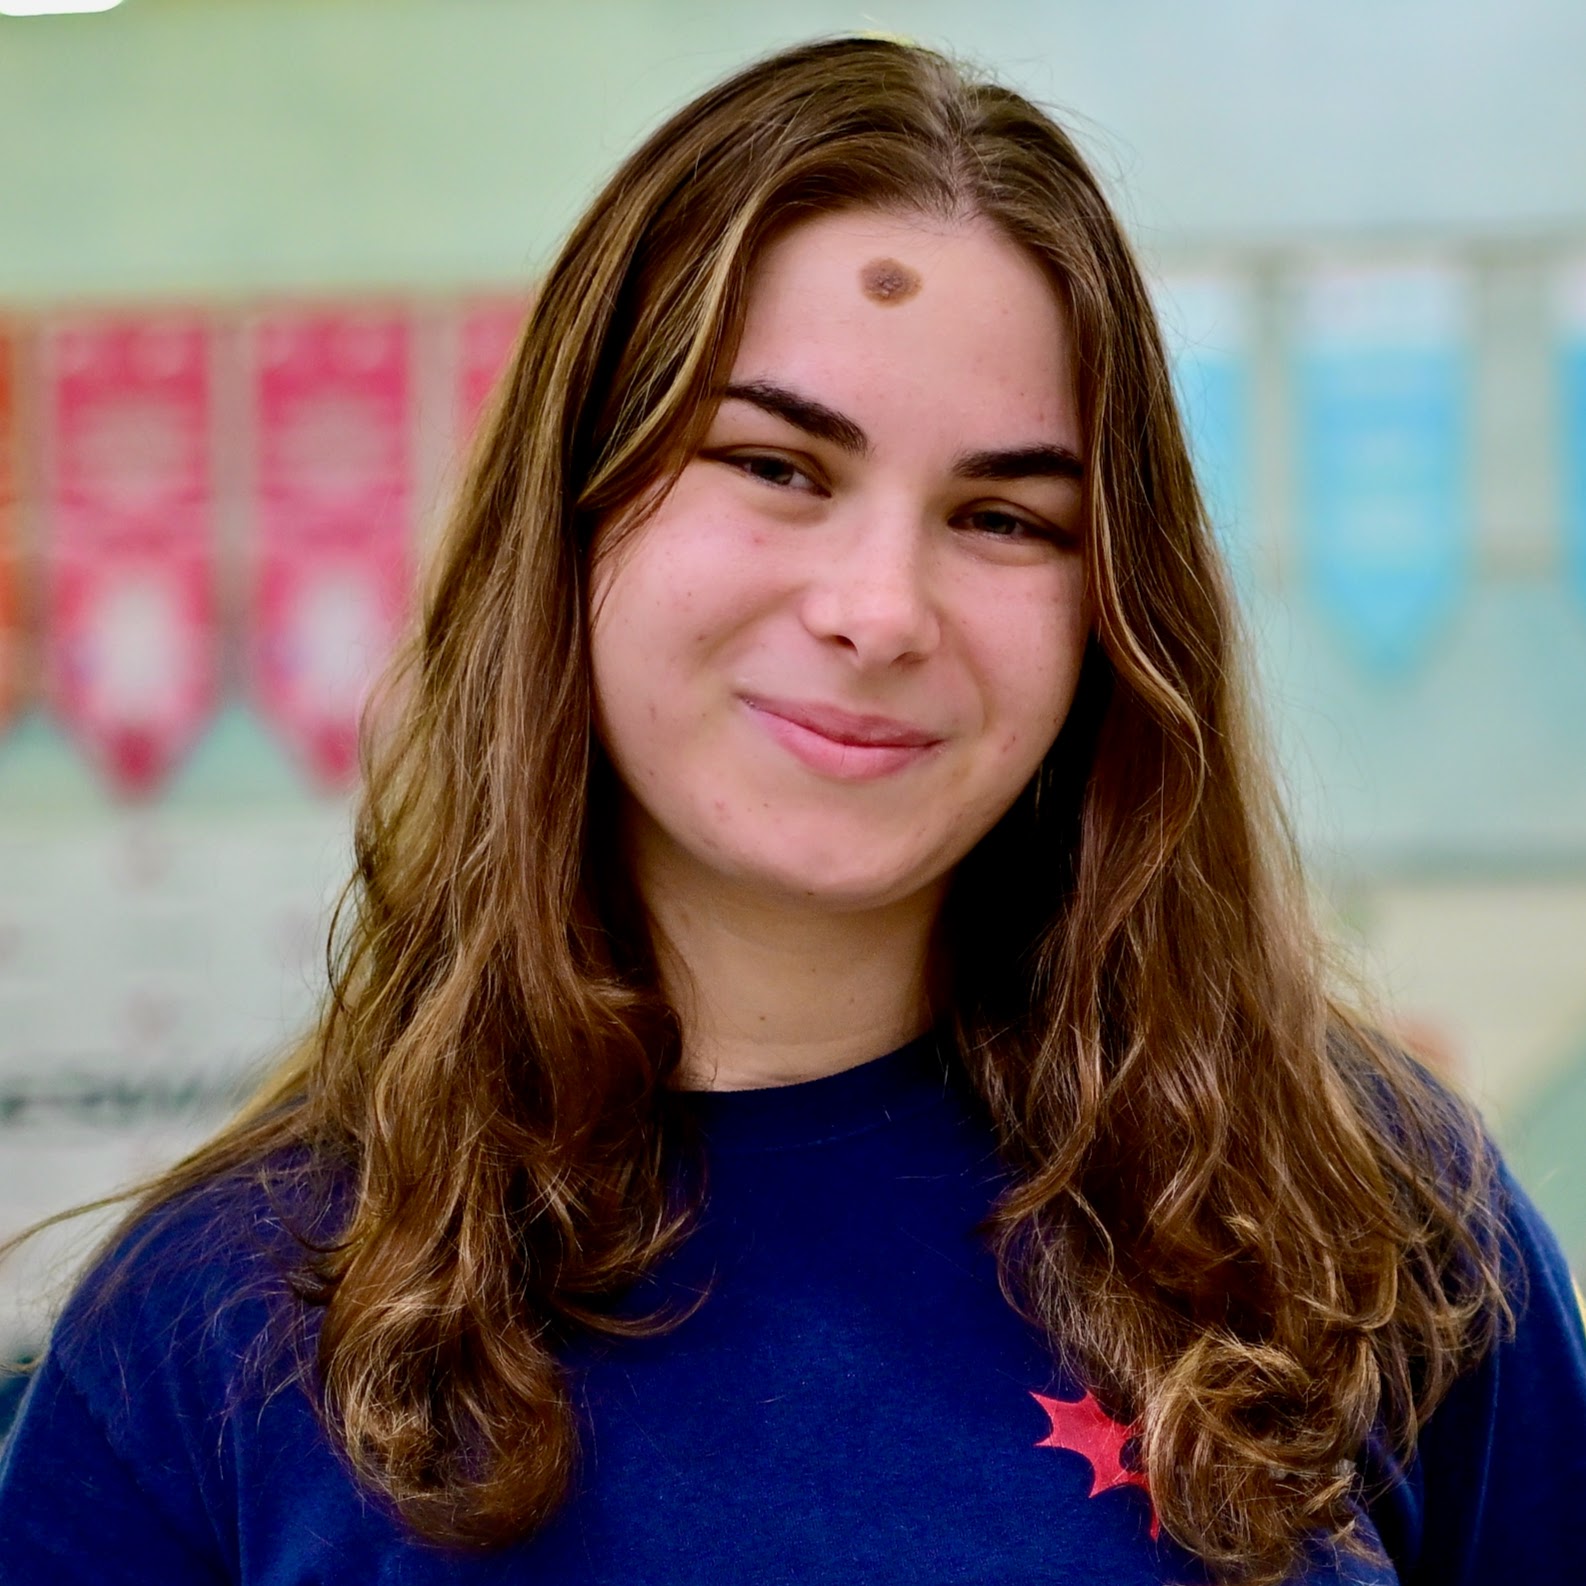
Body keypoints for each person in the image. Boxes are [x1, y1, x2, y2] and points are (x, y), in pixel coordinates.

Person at [1, 35, 1583, 1586]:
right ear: (574, 512)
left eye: (1003, 515)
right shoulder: (210, 1323)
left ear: (1114, 613)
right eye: (774, 465)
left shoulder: (1364, 1215)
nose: (878, 608)